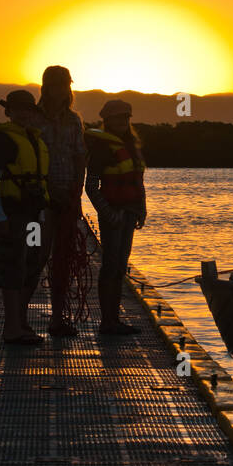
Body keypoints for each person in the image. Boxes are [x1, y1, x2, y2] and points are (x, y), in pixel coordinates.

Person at [0, 90, 50, 346]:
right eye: (18, 109)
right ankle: (12, 329)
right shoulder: (4, 140)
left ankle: (21, 323)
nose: (23, 114)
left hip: (34, 216)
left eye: (27, 109)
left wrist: (43, 214)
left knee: (31, 267)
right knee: (12, 269)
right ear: (8, 112)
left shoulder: (35, 140)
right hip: (13, 215)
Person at [85, 99, 146, 336]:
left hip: (130, 213)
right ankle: (107, 321)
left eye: (126, 118)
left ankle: (114, 320)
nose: (122, 122)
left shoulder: (130, 146)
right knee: (110, 265)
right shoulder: (102, 148)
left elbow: (138, 182)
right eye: (117, 118)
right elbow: (91, 186)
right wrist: (108, 213)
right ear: (107, 121)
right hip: (112, 214)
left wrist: (142, 209)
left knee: (120, 265)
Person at [36, 66, 87, 337]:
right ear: (46, 87)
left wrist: (76, 192)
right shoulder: (33, 120)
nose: (62, 90)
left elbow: (80, 156)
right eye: (57, 85)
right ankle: (19, 320)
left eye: (66, 85)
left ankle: (58, 318)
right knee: (36, 256)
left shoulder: (74, 121)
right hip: (39, 200)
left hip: (67, 197)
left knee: (63, 259)